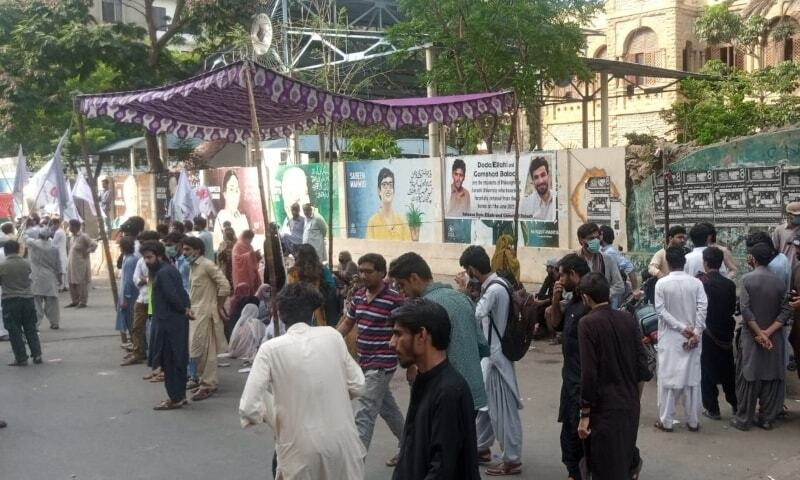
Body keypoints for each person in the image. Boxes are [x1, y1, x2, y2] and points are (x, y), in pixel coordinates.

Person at [239, 281, 366, 479]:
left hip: (298, 450)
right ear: (313, 312)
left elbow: (249, 408)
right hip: (342, 444)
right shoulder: (332, 336)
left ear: (279, 314)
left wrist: (274, 412)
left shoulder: (270, 349)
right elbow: (358, 385)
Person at [390, 298, 481, 480]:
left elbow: (442, 469)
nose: (392, 343)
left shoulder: (449, 391)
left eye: (399, 334)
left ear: (422, 335)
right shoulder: (424, 380)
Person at [388, 252, 487, 412]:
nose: (401, 292)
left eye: (401, 285)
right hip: (472, 393)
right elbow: (482, 346)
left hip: (442, 395)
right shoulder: (462, 298)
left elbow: (423, 353)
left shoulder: (424, 308)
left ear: (414, 278)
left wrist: (413, 367)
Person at [577, 273, 652, 480]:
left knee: (604, 467)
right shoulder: (627, 318)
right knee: (623, 461)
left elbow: (589, 373)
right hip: (629, 405)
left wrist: (584, 414)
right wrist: (634, 398)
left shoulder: (587, 324)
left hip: (604, 409)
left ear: (585, 298)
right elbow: (642, 365)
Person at [460, 245, 523, 476]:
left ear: (472, 269)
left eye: (467, 270)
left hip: (496, 358)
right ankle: (480, 448)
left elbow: (473, 315)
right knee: (485, 408)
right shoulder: (500, 284)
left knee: (503, 411)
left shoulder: (494, 290)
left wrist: (462, 292)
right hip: (494, 356)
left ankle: (512, 460)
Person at [337, 253, 405, 464]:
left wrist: (410, 364)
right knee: (388, 409)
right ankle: (411, 445)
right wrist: (329, 340)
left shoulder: (394, 299)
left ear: (382, 273)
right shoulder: (358, 296)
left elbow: (403, 329)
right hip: (364, 362)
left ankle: (354, 466)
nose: (363, 275)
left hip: (382, 363)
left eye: (369, 271)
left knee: (364, 413)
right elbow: (348, 324)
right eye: (361, 271)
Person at [731, 243, 791, 431]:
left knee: (749, 375)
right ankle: (766, 418)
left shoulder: (747, 280)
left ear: (753, 259)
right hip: (774, 338)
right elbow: (785, 311)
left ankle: (744, 419)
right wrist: (769, 332)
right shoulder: (779, 282)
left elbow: (746, 310)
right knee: (771, 376)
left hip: (752, 337)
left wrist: (759, 333)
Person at [653, 246, 707, 432]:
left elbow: (660, 311)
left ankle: (666, 421)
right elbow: (702, 308)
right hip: (693, 338)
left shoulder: (662, 284)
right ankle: (693, 421)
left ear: (667, 262)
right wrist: (696, 331)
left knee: (669, 379)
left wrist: (682, 328)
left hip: (671, 337)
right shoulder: (696, 283)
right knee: (692, 379)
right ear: (684, 262)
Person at [552, 253, 591, 480]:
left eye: (562, 275)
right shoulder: (574, 301)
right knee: (568, 429)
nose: (559, 279)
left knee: (580, 431)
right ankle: (573, 472)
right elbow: (555, 323)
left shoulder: (588, 302)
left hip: (583, 381)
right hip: (569, 379)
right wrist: (556, 298)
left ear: (573, 275)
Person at [141, 240, 190, 411]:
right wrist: (185, 309)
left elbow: (172, 296)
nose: (147, 261)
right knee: (178, 360)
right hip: (174, 321)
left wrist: (183, 309)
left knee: (170, 361)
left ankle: (175, 398)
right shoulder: (169, 270)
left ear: (159, 256)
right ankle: (179, 396)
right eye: (145, 257)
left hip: (169, 323)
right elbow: (181, 292)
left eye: (149, 257)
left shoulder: (162, 273)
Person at [183, 236, 230, 402]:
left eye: (188, 249)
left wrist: (218, 306)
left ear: (197, 250)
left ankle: (208, 385)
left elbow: (225, 286)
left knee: (205, 351)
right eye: (184, 249)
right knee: (197, 351)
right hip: (195, 314)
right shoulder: (193, 266)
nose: (184, 252)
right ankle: (205, 381)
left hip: (206, 314)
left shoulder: (207, 265)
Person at [697, 247, 738, 421]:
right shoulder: (729, 284)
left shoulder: (701, 282)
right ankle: (736, 405)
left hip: (707, 332)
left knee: (707, 371)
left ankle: (713, 408)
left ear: (705, 263)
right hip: (726, 332)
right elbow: (731, 308)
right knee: (728, 370)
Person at [0, 241, 41, 366]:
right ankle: (37, 354)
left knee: (14, 330)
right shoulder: (26, 263)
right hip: (28, 299)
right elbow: (30, 278)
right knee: (30, 328)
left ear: (6, 251)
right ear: (18, 250)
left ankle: (21, 357)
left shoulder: (2, 265)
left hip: (10, 300)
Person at [576, 223, 624, 307]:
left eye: (597, 238)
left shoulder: (608, 260)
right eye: (591, 238)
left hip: (602, 307)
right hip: (579, 306)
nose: (596, 241)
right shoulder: (574, 259)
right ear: (581, 240)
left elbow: (619, 286)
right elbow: (566, 291)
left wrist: (602, 295)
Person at [26, 229, 61, 330]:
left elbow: (25, 237)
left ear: (39, 235)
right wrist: (59, 278)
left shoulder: (33, 244)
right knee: (52, 302)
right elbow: (58, 264)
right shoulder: (54, 248)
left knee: (36, 303)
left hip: (36, 277)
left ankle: (35, 324)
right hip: (50, 277)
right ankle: (54, 322)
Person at [366, 168, 411, 241]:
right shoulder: (372, 222)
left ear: (394, 189)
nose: (388, 189)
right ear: (379, 191)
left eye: (390, 185)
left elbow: (409, 250)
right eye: (384, 185)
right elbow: (369, 251)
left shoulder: (403, 222)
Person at [599, 224, 639, 304]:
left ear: (602, 236)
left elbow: (629, 267)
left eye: (598, 235)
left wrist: (635, 289)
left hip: (613, 293)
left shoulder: (610, 253)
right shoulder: (602, 250)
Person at [213, 169, 250, 248]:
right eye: (231, 189)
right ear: (225, 193)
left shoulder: (243, 219)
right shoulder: (221, 217)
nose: (234, 194)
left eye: (236, 190)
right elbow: (217, 246)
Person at [65, 219, 97, 308]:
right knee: (71, 282)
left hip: (81, 264)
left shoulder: (83, 236)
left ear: (75, 227)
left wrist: (87, 251)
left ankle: (83, 301)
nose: (69, 228)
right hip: (72, 264)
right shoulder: (72, 238)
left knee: (81, 283)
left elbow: (94, 244)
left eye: (70, 226)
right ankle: (75, 300)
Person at [116, 237, 138, 351]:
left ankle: (136, 346)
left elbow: (128, 281)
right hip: (128, 295)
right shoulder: (130, 259)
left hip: (129, 297)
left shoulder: (130, 261)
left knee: (130, 321)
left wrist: (125, 297)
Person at [519, 156, 556, 221]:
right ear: (533, 181)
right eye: (536, 177)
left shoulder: (557, 200)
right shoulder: (526, 204)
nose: (540, 181)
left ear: (548, 176)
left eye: (543, 175)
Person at [533, 258, 558, 339]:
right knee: (536, 304)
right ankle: (536, 326)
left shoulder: (560, 278)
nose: (546, 269)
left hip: (557, 299)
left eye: (547, 267)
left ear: (553, 268)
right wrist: (537, 297)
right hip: (551, 298)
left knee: (543, 306)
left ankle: (551, 333)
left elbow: (558, 297)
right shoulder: (549, 278)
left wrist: (542, 302)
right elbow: (542, 291)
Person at [773, 201, 800, 269]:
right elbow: (774, 250)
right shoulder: (779, 230)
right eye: (797, 215)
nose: (799, 217)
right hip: (784, 270)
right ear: (788, 215)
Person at [232, 230, 261, 295]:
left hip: (250, 273)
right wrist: (250, 255)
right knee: (243, 291)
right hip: (241, 275)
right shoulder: (237, 247)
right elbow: (237, 259)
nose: (251, 241)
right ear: (245, 238)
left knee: (252, 291)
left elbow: (253, 258)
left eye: (252, 239)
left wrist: (256, 256)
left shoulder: (250, 246)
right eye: (250, 239)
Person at [48, 218, 68, 291]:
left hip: (59, 252)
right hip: (63, 251)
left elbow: (53, 243)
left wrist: (49, 239)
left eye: (53, 224)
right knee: (64, 270)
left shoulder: (58, 232)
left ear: (56, 224)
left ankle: (61, 286)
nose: (53, 226)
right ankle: (65, 285)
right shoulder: (62, 231)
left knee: (61, 270)